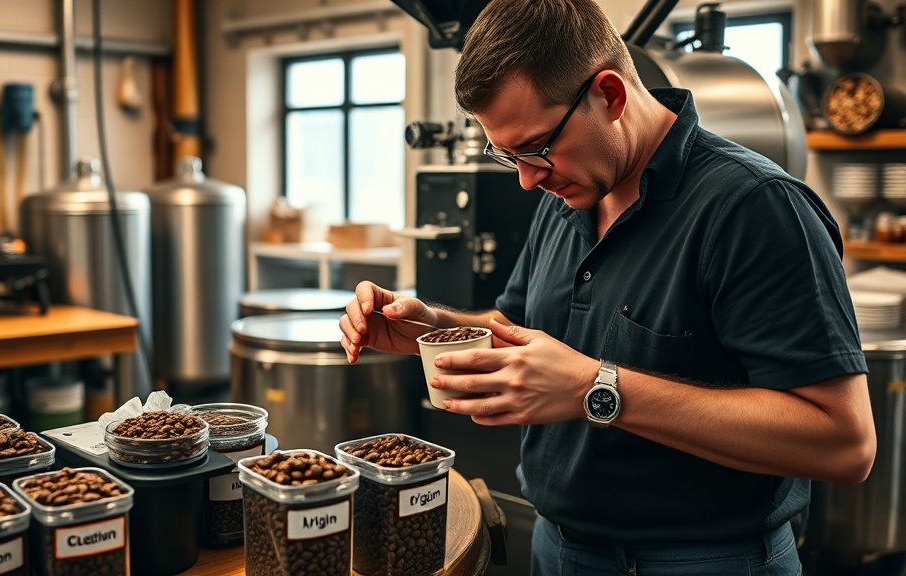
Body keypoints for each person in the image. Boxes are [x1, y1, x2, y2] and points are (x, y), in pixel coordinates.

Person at [339, 0, 877, 574]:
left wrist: (598, 389)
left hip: (706, 560)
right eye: (509, 155)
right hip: (559, 545)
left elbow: (845, 443)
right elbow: (523, 335)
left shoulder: (755, 208)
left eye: (539, 148)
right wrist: (439, 328)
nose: (526, 180)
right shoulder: (569, 190)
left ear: (611, 95)